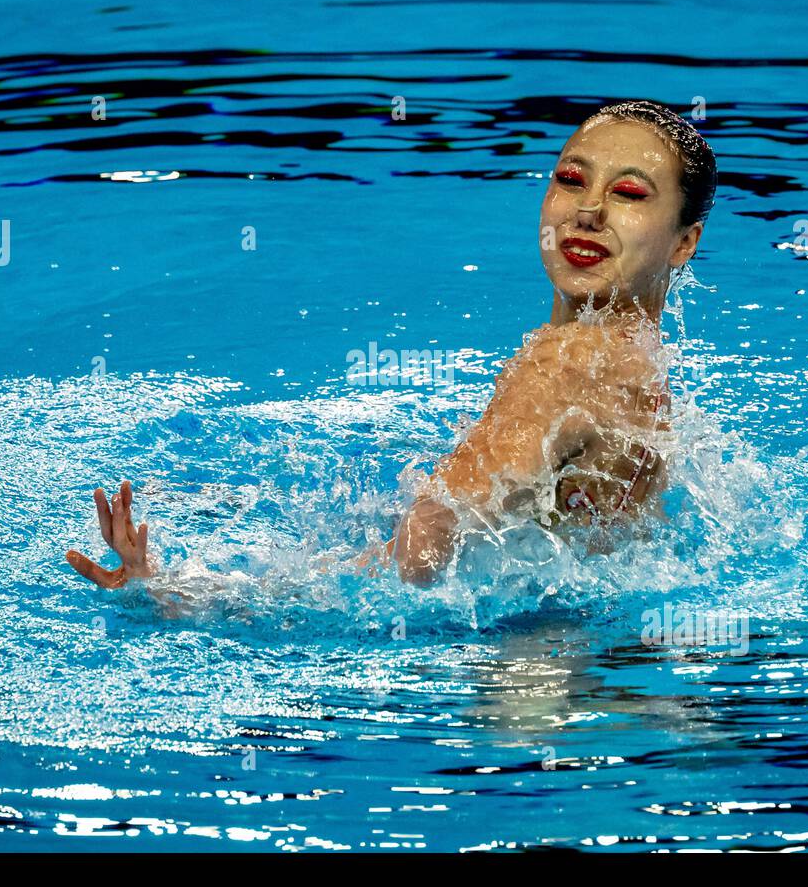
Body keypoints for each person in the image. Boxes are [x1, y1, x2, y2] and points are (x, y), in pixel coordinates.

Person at [65, 100, 717, 591]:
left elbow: (421, 551)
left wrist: (187, 596)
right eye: (572, 179)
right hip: (604, 662)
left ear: (684, 241)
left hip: (532, 687)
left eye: (629, 192)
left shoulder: (566, 364)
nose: (589, 210)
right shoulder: (634, 358)